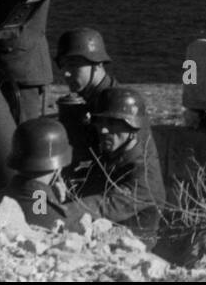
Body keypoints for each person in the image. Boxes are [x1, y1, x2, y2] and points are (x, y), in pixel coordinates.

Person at [63, 87, 166, 240]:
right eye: (100, 121)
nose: (103, 130)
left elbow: (103, 206)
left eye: (112, 123)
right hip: (103, 234)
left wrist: (55, 211)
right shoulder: (114, 151)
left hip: (133, 247)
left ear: (133, 127)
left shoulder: (145, 176)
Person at [53, 27, 119, 164]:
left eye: (73, 66)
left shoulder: (114, 103)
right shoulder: (93, 96)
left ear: (98, 65)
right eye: (63, 66)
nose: (66, 73)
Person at [5, 117, 79, 231]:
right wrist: (58, 205)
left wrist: (51, 197)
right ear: (58, 169)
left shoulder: (9, 193)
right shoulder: (44, 209)